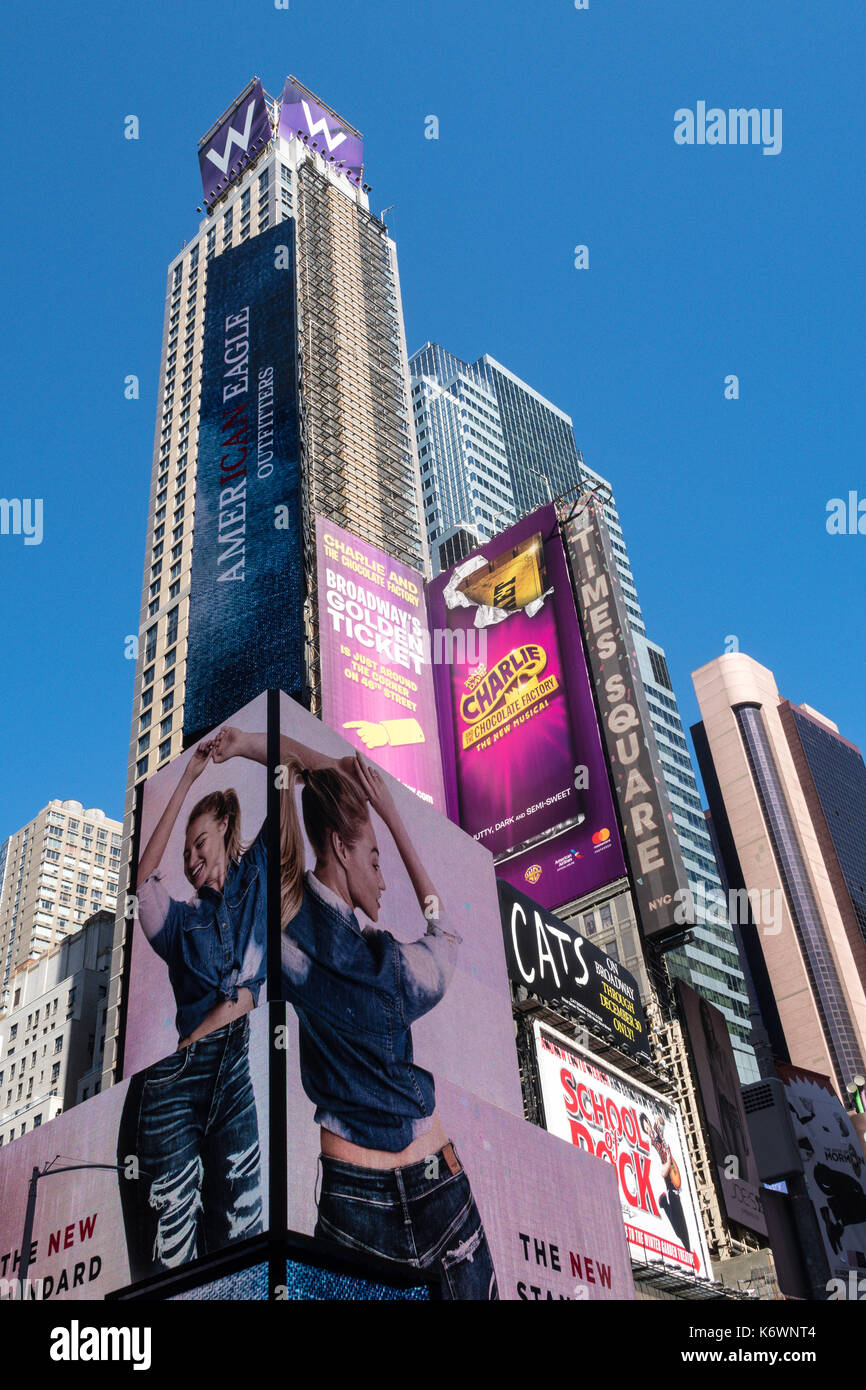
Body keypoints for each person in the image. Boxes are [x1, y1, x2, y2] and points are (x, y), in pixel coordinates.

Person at [277, 736, 499, 1300]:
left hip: (352, 1200)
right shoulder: (392, 965)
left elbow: (280, 758)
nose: (382, 880)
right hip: (437, 1189)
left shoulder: (288, 942)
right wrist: (394, 820)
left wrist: (323, 771)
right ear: (339, 846)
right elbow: (445, 932)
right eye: (375, 862)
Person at [119, 727, 267, 1279]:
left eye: (199, 844)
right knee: (171, 1273)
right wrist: (185, 779)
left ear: (226, 827)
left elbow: (293, 778)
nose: (190, 860)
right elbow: (142, 885)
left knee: (242, 1259)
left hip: (234, 1077)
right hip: (172, 1087)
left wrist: (244, 744)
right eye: (185, 854)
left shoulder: (256, 880)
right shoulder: (180, 925)